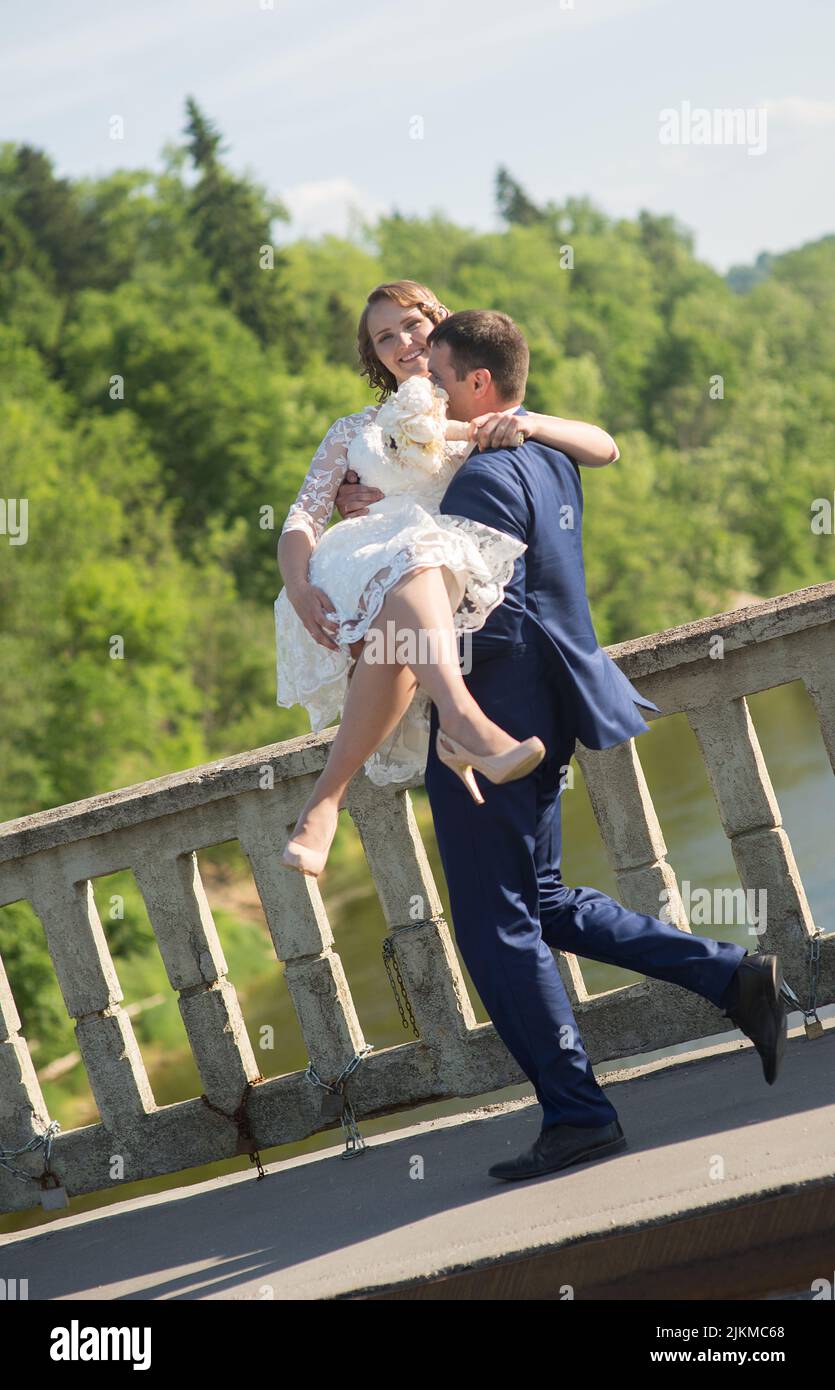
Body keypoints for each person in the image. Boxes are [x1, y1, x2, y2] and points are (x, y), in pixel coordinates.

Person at [340, 306, 784, 1183]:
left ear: (475, 384)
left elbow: (474, 609)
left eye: (434, 358)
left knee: (493, 925)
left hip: (497, 719)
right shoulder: (545, 457)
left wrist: (451, 711)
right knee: (538, 902)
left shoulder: (480, 479)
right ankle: (733, 978)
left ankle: (578, 1116)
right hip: (545, 706)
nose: (416, 367)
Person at [274, 280, 619, 875]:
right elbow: (301, 517)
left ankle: (327, 799)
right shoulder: (351, 431)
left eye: (411, 324)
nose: (403, 342)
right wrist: (299, 585)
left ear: (439, 322)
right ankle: (460, 720)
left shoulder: (477, 407)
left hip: (435, 574)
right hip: (361, 558)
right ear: (375, 357)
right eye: (385, 337)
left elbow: (604, 446)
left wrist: (529, 425)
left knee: (406, 605)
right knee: (415, 555)